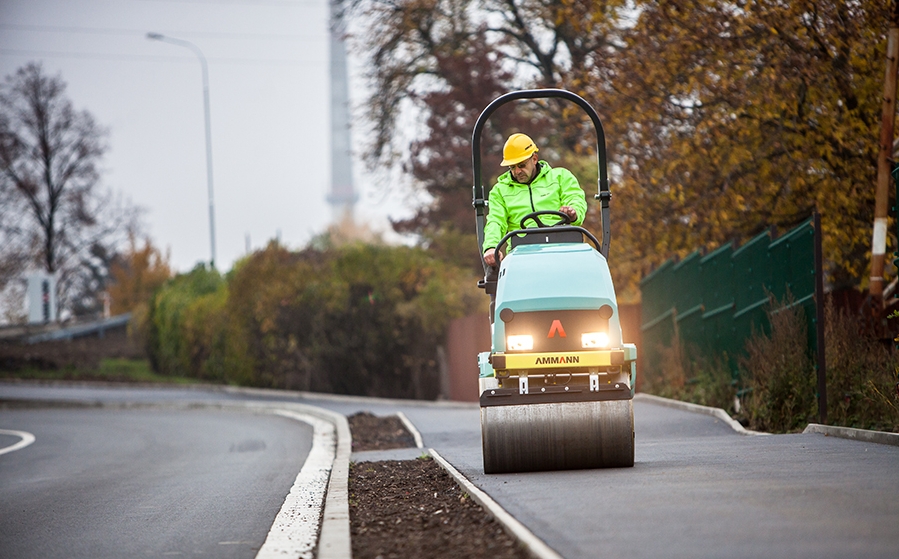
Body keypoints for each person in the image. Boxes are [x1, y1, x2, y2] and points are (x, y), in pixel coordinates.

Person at [482, 133, 588, 266]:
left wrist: (573, 212)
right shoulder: (500, 191)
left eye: (521, 165)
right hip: (521, 256)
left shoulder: (560, 177)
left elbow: (575, 198)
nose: (517, 171)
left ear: (534, 159)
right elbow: (496, 221)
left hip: (562, 249)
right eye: (512, 167)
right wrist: (491, 246)